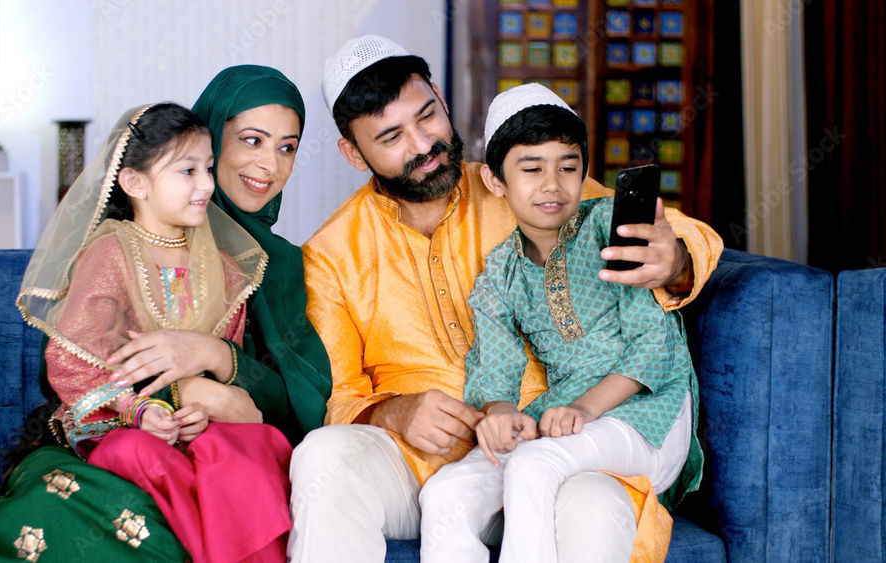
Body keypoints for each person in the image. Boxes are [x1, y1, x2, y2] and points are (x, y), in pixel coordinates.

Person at [289, 35, 723, 562]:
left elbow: (667, 229)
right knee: (323, 458)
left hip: (551, 437)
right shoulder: (331, 254)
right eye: (392, 137)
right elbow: (340, 396)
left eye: (429, 116)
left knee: (592, 502)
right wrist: (393, 414)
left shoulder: (516, 181)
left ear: (444, 103)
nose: (423, 143)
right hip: (418, 465)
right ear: (354, 153)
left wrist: (673, 260)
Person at [0, 100, 314, 563]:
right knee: (136, 453)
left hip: (196, 420)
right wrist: (140, 407)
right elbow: (73, 357)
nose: (207, 184)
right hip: (117, 420)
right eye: (187, 171)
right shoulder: (111, 254)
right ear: (134, 182)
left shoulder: (225, 268)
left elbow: (222, 356)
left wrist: (196, 410)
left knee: (245, 450)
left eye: (208, 168)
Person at [418, 84, 701, 562]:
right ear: (495, 181)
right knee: (447, 492)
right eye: (532, 169)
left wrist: (586, 410)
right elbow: (495, 362)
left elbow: (656, 346)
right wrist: (502, 410)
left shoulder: (608, 227)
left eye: (568, 167)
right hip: (567, 417)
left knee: (533, 462)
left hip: (651, 414)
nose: (552, 184)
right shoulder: (500, 273)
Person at [109, 64, 333, 447]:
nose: (271, 166)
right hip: (133, 440)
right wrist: (186, 392)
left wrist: (217, 356)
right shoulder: (133, 239)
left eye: (287, 148)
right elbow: (75, 363)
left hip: (238, 453)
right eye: (251, 140)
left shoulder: (282, 264)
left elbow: (307, 406)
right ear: (211, 137)